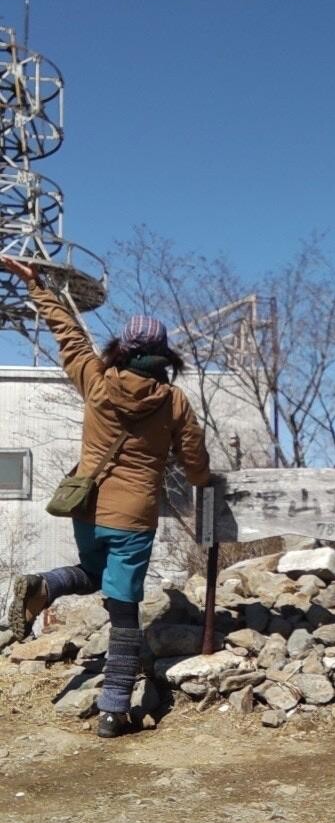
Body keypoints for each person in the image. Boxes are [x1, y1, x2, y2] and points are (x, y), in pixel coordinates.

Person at [1, 255, 211, 738]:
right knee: (124, 609)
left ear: (123, 347)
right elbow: (195, 462)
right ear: (163, 354)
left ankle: (44, 586)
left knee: (94, 573)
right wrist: (205, 482)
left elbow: (69, 334)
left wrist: (36, 285)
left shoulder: (95, 381)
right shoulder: (173, 401)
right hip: (133, 516)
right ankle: (114, 708)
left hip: (87, 506)